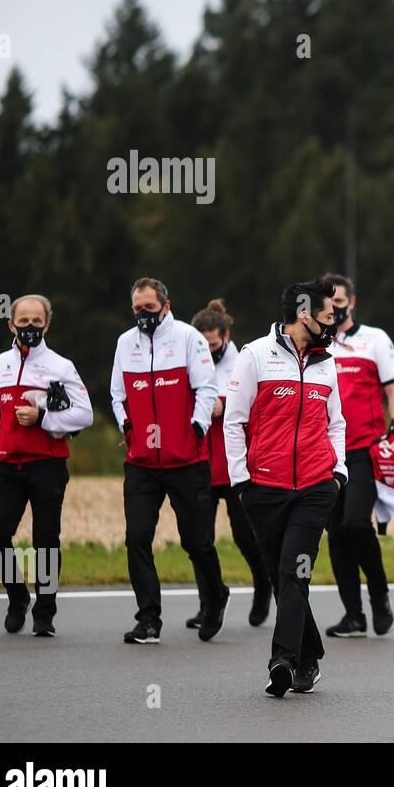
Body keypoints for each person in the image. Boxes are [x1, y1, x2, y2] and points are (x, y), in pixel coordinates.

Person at [225, 280, 347, 698]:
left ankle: (283, 660)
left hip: (316, 486)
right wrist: (242, 480)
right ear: (303, 314)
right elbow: (233, 421)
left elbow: (336, 423)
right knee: (284, 578)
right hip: (264, 488)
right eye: (329, 315)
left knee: (296, 570)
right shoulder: (255, 355)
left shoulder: (328, 362)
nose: (335, 322)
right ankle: (310, 656)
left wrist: (339, 472)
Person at [0, 294, 93, 636]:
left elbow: (85, 414)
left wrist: (43, 417)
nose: (31, 328)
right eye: (24, 322)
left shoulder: (60, 366)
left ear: (47, 325)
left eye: (37, 322)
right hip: (7, 465)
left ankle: (45, 613)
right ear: (11, 324)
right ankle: (18, 596)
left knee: (45, 540)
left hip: (47, 466)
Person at [111, 278, 229, 645]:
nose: (142, 316)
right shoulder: (124, 343)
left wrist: (194, 431)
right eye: (136, 310)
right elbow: (117, 394)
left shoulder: (188, 338)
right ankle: (148, 620)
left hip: (186, 460)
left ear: (165, 305)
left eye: (148, 308)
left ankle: (216, 597)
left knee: (196, 542)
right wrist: (129, 429)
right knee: (137, 539)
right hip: (142, 463)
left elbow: (207, 388)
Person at [317, 273, 394, 639]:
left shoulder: (375, 340)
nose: (334, 310)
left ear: (351, 302)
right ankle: (353, 616)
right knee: (336, 531)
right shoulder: (314, 345)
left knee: (356, 523)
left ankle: (379, 595)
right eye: (327, 304)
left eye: (339, 303)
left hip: (365, 449)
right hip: (325, 453)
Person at [184, 299, 271, 630]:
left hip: (236, 464)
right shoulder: (190, 362)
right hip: (200, 464)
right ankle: (208, 603)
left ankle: (263, 586)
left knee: (245, 537)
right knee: (199, 538)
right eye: (202, 345)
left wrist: (225, 407)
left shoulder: (244, 362)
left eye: (214, 345)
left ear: (227, 335)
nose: (209, 351)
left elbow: (261, 408)